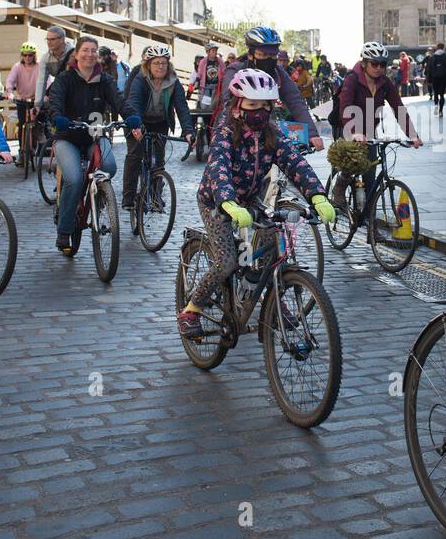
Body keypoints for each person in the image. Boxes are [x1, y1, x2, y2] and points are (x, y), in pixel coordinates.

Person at [177, 69, 335, 337]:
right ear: (238, 106)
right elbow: (219, 170)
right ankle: (192, 309)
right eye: (252, 105)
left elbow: (295, 163)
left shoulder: (272, 133)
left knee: (272, 245)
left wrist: (317, 195)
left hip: (250, 200)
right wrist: (228, 203)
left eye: (265, 106)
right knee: (227, 261)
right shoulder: (226, 133)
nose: (259, 111)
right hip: (217, 201)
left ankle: (273, 300)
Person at [46, 35, 125, 253]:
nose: (90, 54)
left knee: (109, 166)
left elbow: (119, 100)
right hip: (67, 137)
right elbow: (55, 102)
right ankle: (64, 230)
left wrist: (131, 116)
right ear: (76, 54)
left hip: (94, 136)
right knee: (73, 178)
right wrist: (57, 116)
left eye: (94, 50)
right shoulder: (65, 78)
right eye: (86, 50)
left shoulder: (105, 79)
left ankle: (99, 198)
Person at [334, 42, 423, 209]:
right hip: (347, 127)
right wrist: (354, 133)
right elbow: (345, 107)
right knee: (350, 161)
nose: (379, 68)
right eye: (374, 64)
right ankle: (340, 184)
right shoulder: (352, 79)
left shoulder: (385, 82)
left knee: (370, 176)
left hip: (369, 130)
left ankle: (370, 228)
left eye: (383, 64)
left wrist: (412, 135)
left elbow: (398, 108)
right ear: (364, 63)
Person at [210, 27, 324, 151]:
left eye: (273, 55)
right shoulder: (234, 70)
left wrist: (312, 134)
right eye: (263, 54)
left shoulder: (278, 72)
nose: (269, 59)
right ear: (250, 55)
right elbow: (228, 104)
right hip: (235, 130)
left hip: (267, 130)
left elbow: (296, 101)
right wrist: (224, 142)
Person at [121, 45, 194, 212]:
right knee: (134, 155)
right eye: (156, 63)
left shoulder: (173, 82)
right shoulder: (140, 78)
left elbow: (182, 107)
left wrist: (189, 131)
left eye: (163, 63)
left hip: (160, 121)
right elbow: (134, 102)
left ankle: (155, 196)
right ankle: (129, 197)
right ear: (148, 65)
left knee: (158, 162)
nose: (160, 66)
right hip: (137, 119)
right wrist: (136, 126)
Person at [34, 26, 75, 112]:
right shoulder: (45, 58)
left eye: (52, 39)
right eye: (47, 39)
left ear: (62, 39)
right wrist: (38, 104)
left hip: (76, 91)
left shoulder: (74, 54)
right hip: (60, 91)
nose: (49, 42)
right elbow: (41, 81)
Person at [5, 42, 40, 134]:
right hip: (22, 100)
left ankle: (40, 145)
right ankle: (21, 148)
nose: (27, 58)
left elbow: (47, 81)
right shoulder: (17, 67)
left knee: (39, 124)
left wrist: (45, 96)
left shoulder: (40, 66)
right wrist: (9, 93)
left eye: (30, 55)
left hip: (37, 100)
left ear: (34, 55)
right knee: (22, 124)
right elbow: (10, 80)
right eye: (25, 55)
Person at [425, 42, 446, 116]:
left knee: (436, 93)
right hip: (443, 77)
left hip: (434, 78)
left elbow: (428, 69)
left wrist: (429, 79)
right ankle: (441, 111)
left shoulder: (431, 58)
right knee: (442, 95)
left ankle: (436, 105)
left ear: (436, 48)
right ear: (443, 48)